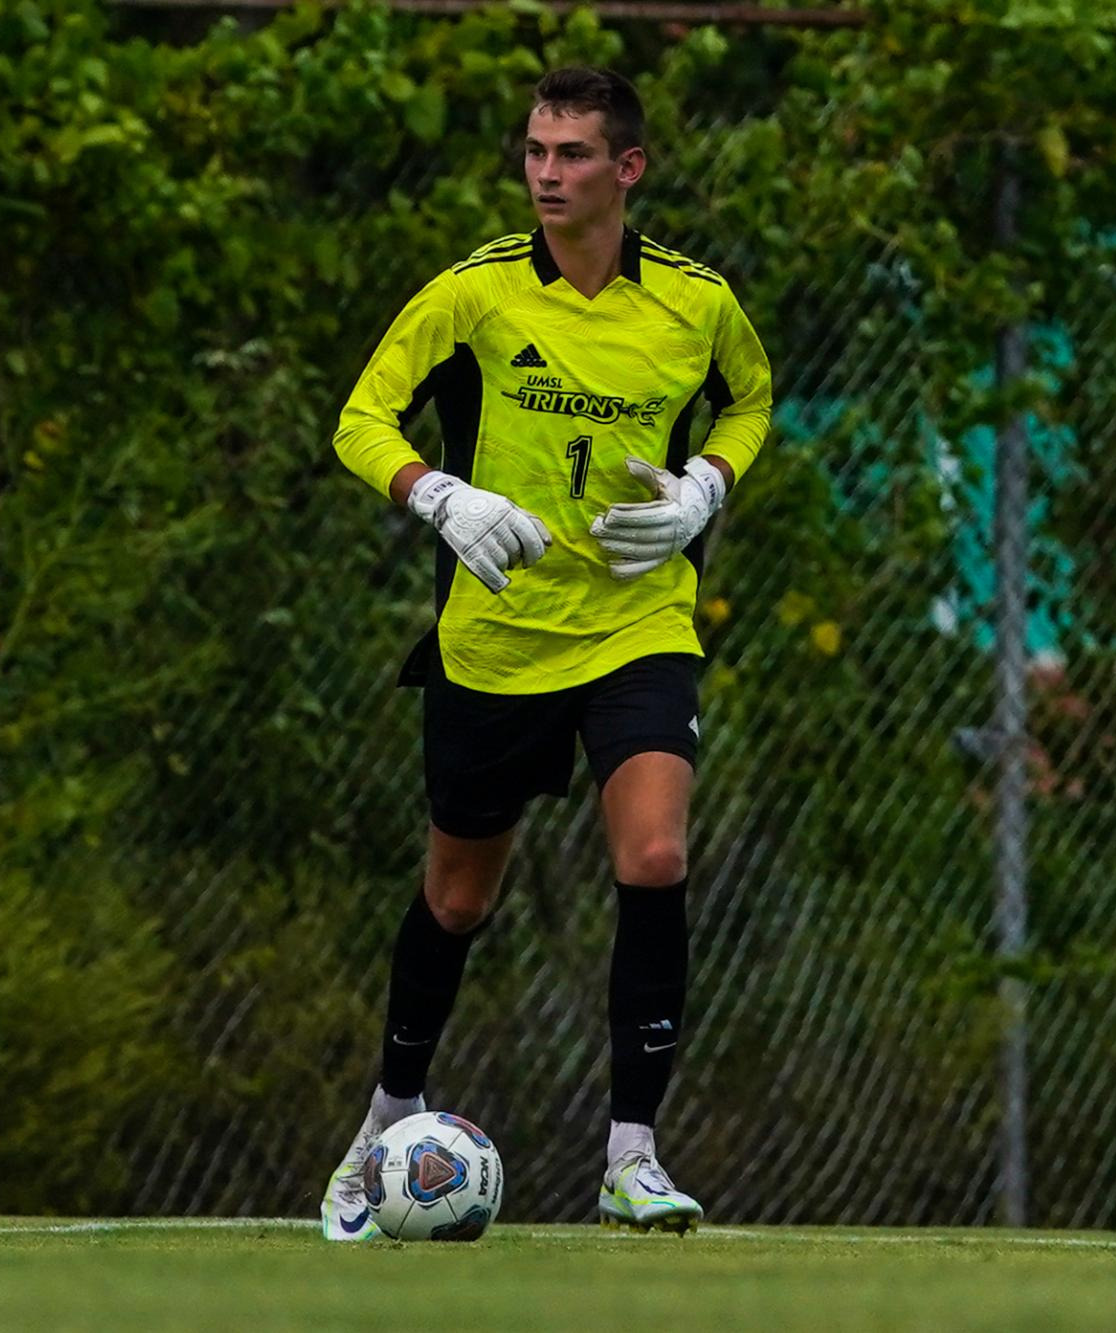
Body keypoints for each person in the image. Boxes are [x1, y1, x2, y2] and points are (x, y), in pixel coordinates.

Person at [320, 65, 772, 1240]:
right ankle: (384, 1123)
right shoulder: (472, 295)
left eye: (572, 154)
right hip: (496, 638)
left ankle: (631, 1156)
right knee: (456, 897)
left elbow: (750, 399)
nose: (547, 173)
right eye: (534, 151)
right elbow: (359, 419)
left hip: (637, 623)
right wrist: (437, 496)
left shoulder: (694, 303)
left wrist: (703, 488)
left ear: (627, 168)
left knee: (656, 854)